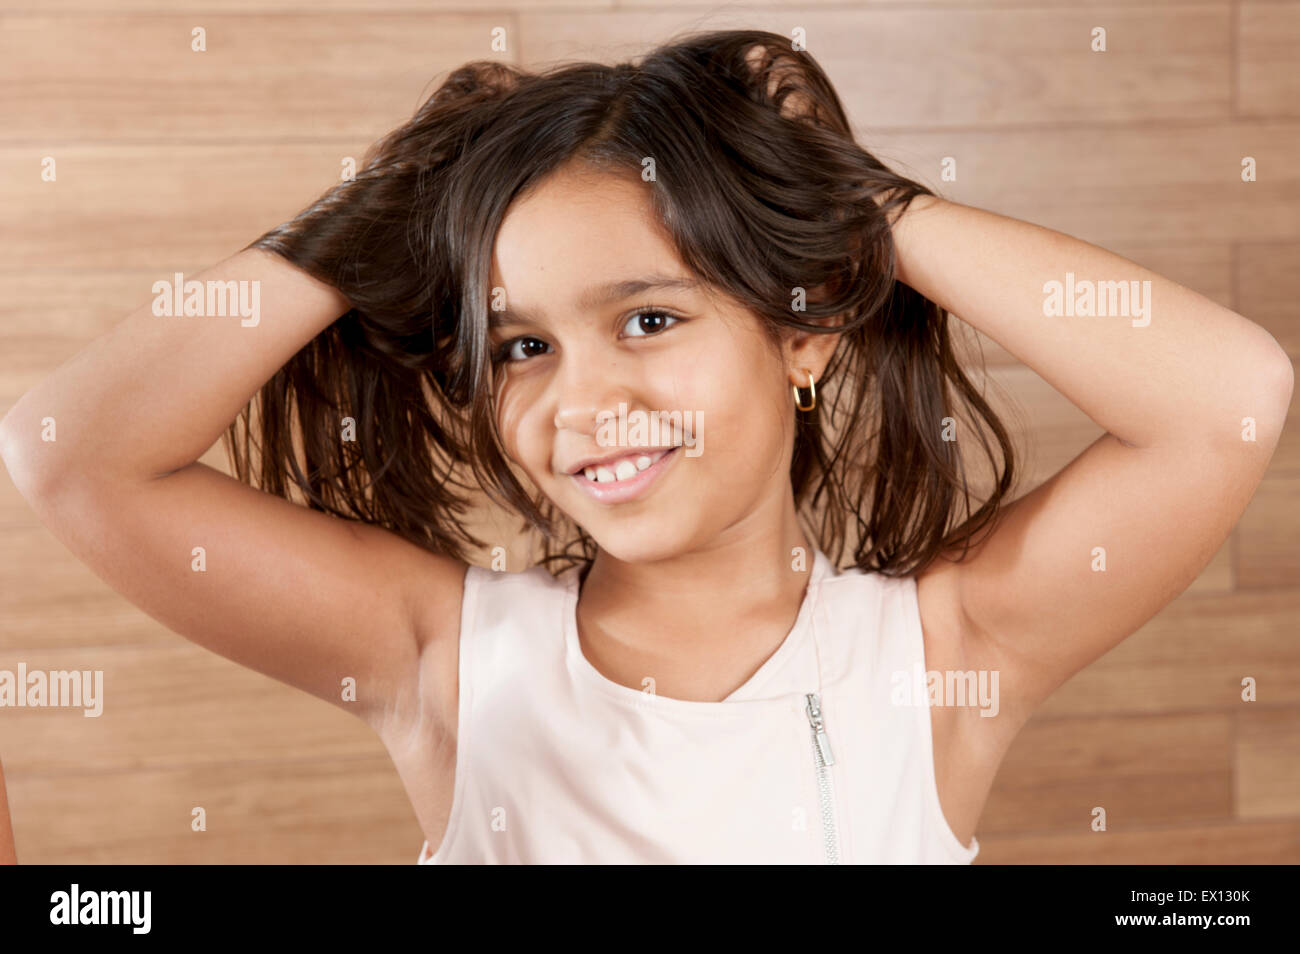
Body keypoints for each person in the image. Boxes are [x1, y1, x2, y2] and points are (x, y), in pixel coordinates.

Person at [0, 30, 1290, 864]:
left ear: (804, 337)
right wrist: (365, 216)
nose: (584, 398)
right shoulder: (444, 661)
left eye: (649, 318)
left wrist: (843, 203)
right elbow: (71, 453)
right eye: (521, 346)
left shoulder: (945, 656)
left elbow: (1228, 393)